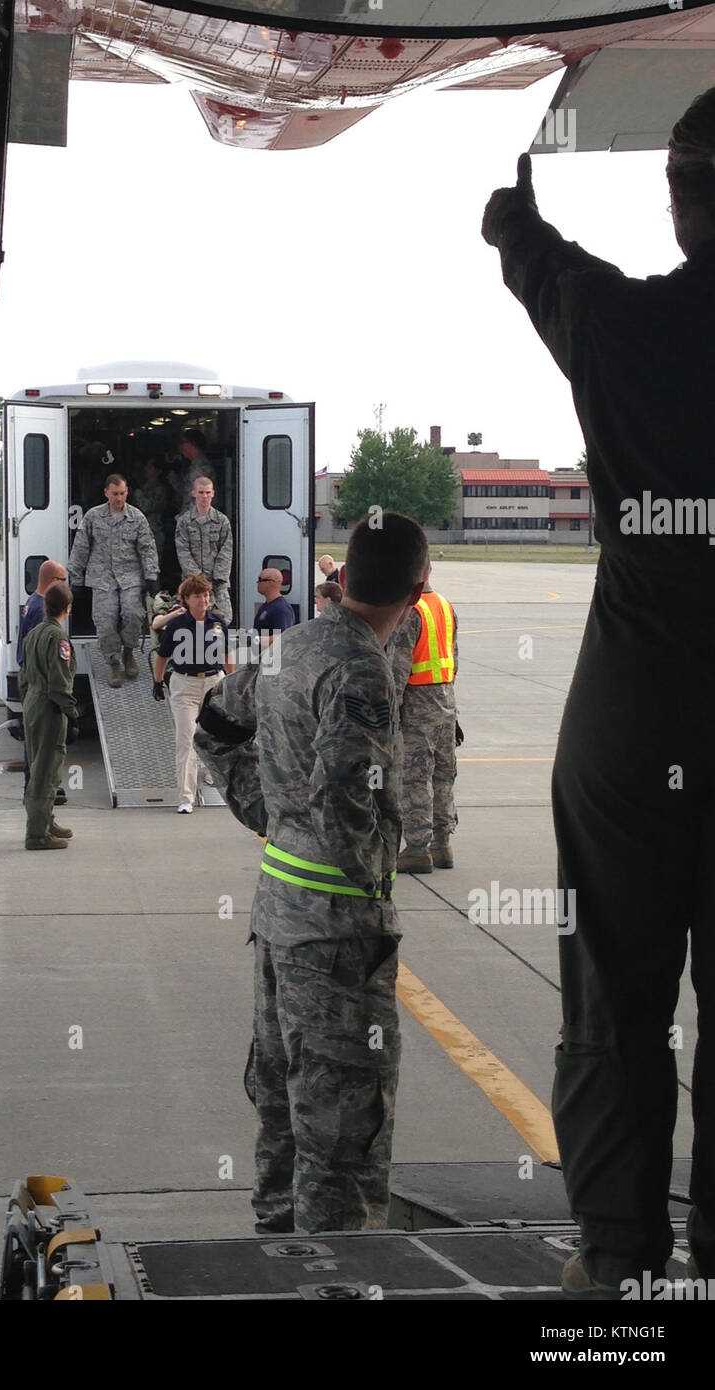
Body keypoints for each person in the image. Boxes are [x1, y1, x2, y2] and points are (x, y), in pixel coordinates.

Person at [482, 88, 715, 1297]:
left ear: (680, 203)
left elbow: (543, 268)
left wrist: (516, 219)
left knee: (613, 985)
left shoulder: (623, 325)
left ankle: (616, 1253)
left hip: (641, 700)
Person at [194, 512, 429, 1234]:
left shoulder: (290, 647)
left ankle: (272, 1249)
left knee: (281, 1104)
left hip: (279, 912)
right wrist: (364, 889)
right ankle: (335, 1273)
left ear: (341, 578)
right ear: (419, 589)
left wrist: (266, 812)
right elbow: (342, 794)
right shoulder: (359, 669)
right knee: (342, 1123)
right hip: (335, 934)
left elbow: (213, 726)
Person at [390, 575, 460, 873]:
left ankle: (417, 848)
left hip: (416, 705)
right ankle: (442, 844)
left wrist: (389, 713)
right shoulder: (445, 606)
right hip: (445, 701)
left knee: (415, 778)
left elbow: (398, 669)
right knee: (443, 776)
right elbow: (453, 657)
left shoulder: (411, 611)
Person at [67, 474, 160, 688]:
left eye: (123, 493)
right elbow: (81, 547)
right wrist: (76, 579)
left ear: (127, 492)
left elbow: (147, 547)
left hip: (130, 576)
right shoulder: (93, 517)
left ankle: (128, 652)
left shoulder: (136, 517)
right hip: (102, 578)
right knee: (105, 620)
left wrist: (151, 576)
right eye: (115, 494)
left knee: (133, 614)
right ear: (106, 493)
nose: (119, 498)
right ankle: (113, 662)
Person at [153, 574, 234, 813]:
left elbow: (227, 654)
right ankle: (186, 797)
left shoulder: (217, 623)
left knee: (213, 736)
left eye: (207, 595)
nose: (204, 599)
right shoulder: (177, 625)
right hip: (185, 684)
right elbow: (162, 655)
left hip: (213, 681)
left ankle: (213, 779)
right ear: (186, 599)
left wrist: (231, 681)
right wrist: (158, 682)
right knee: (186, 740)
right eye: (198, 595)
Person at [19, 581, 78, 851]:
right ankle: (37, 835)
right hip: (49, 707)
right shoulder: (58, 638)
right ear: (67, 608)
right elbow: (59, 682)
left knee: (38, 766)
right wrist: (71, 712)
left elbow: (23, 677)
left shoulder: (33, 635)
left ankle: (45, 822)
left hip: (32, 703)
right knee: (46, 769)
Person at [17, 558, 68, 806]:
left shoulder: (34, 603)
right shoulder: (41, 611)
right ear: (52, 581)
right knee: (41, 742)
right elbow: (42, 654)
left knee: (35, 738)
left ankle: (39, 788)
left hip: (31, 680)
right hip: (39, 683)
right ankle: (37, 790)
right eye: (63, 581)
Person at [175, 476, 234, 623]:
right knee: (192, 619)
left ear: (213, 493)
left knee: (224, 618)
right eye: (201, 492)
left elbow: (226, 550)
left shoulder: (222, 521)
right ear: (193, 493)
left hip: (218, 581)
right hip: (192, 581)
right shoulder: (184, 521)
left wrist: (217, 577)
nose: (204, 496)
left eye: (208, 492)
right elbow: (183, 551)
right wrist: (198, 578)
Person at [252, 568, 295, 646]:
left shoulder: (282, 609)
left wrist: (253, 640)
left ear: (271, 582)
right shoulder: (266, 606)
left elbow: (280, 638)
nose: (257, 582)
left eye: (260, 579)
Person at [179, 428, 216, 510]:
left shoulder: (199, 469)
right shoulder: (196, 465)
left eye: (183, 443)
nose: (181, 446)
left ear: (192, 444)